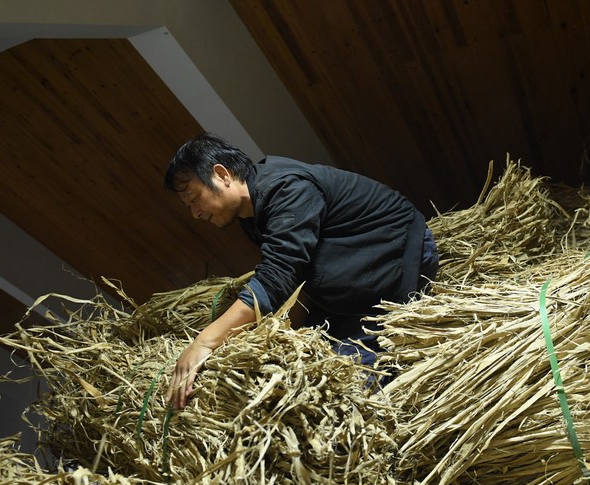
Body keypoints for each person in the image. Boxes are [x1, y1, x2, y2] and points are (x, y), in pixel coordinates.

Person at [163, 132, 439, 409]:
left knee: (345, 382)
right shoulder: (252, 212)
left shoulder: (286, 188)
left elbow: (277, 276)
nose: (195, 214)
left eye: (194, 199)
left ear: (222, 175)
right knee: (302, 356)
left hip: (398, 251)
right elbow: (294, 273)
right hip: (352, 266)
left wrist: (205, 342)